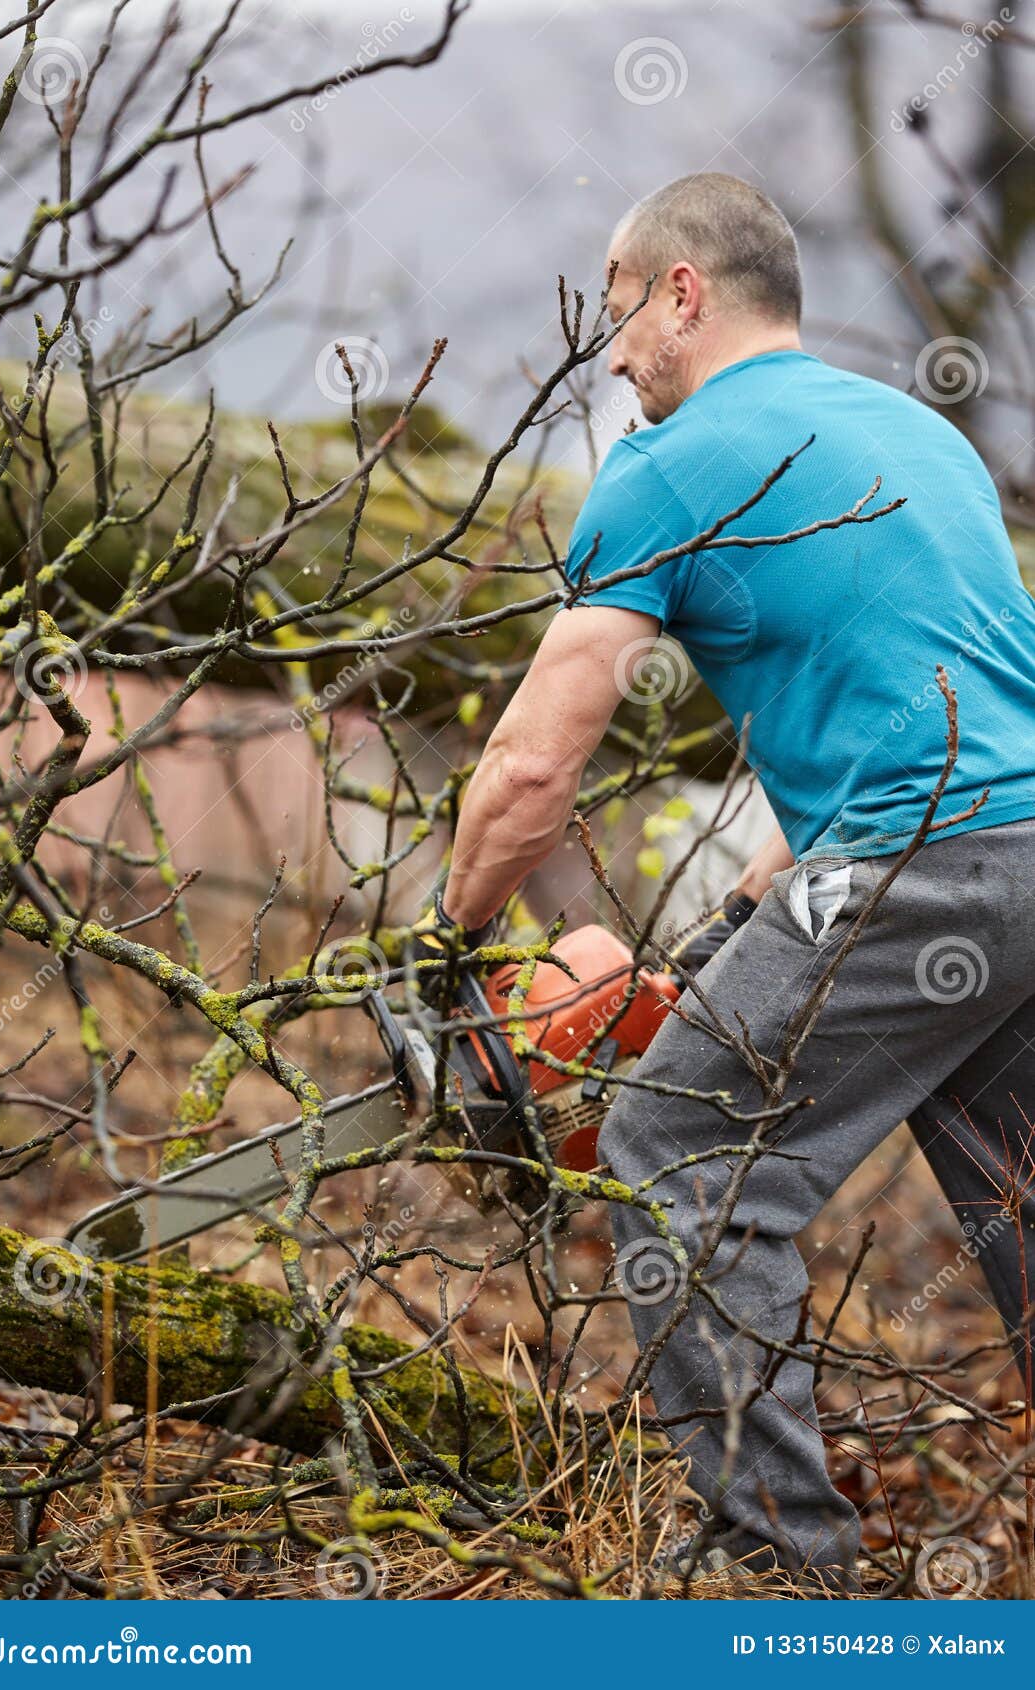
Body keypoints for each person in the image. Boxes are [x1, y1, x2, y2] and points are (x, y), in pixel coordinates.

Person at [422, 172, 1035, 1586]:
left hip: (915, 857)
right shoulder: (915, 432)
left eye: (623, 306)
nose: (615, 348)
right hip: (1019, 852)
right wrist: (764, 898)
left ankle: (780, 1567)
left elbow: (525, 773)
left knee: (678, 1155)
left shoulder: (668, 464)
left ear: (683, 293)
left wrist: (444, 944)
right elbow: (933, 693)